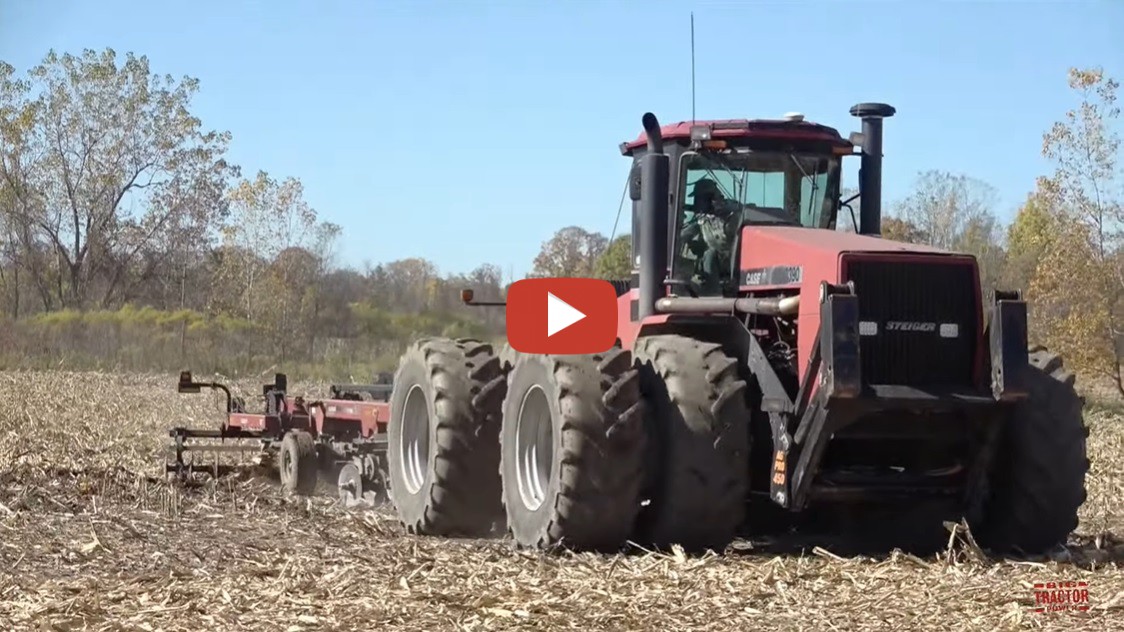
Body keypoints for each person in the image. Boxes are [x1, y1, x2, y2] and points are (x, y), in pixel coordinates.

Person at [679, 178, 740, 293]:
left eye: (699, 199)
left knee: (710, 254)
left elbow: (726, 241)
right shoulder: (699, 221)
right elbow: (682, 237)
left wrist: (724, 211)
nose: (696, 202)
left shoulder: (728, 217)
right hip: (704, 271)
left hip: (727, 266)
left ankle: (713, 294)